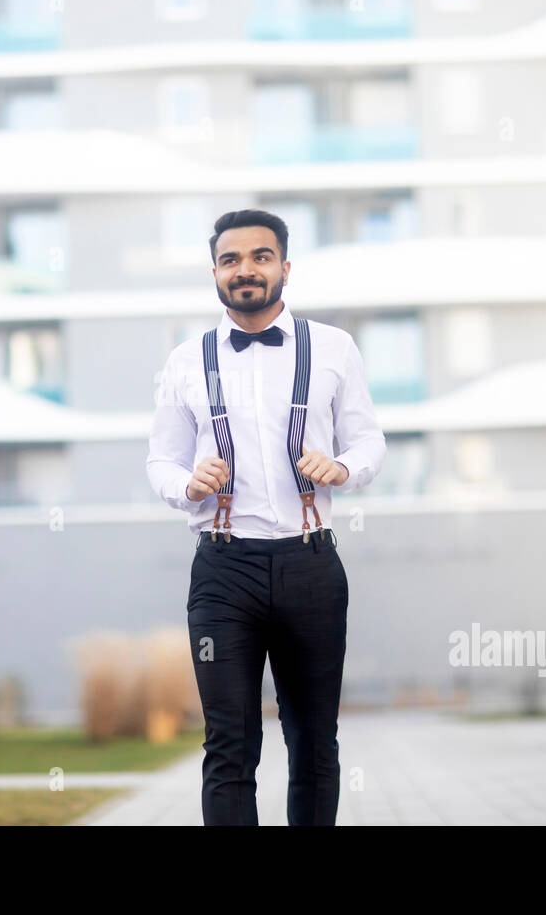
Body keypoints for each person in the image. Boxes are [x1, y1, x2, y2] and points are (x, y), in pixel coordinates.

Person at [146, 208, 387, 825]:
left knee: (312, 741)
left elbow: (369, 442)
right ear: (216, 273)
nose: (245, 270)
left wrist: (343, 468)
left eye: (259, 256)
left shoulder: (334, 348)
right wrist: (186, 483)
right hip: (223, 573)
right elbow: (162, 462)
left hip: (310, 563)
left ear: (284, 266)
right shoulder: (184, 361)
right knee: (228, 745)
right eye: (230, 260)